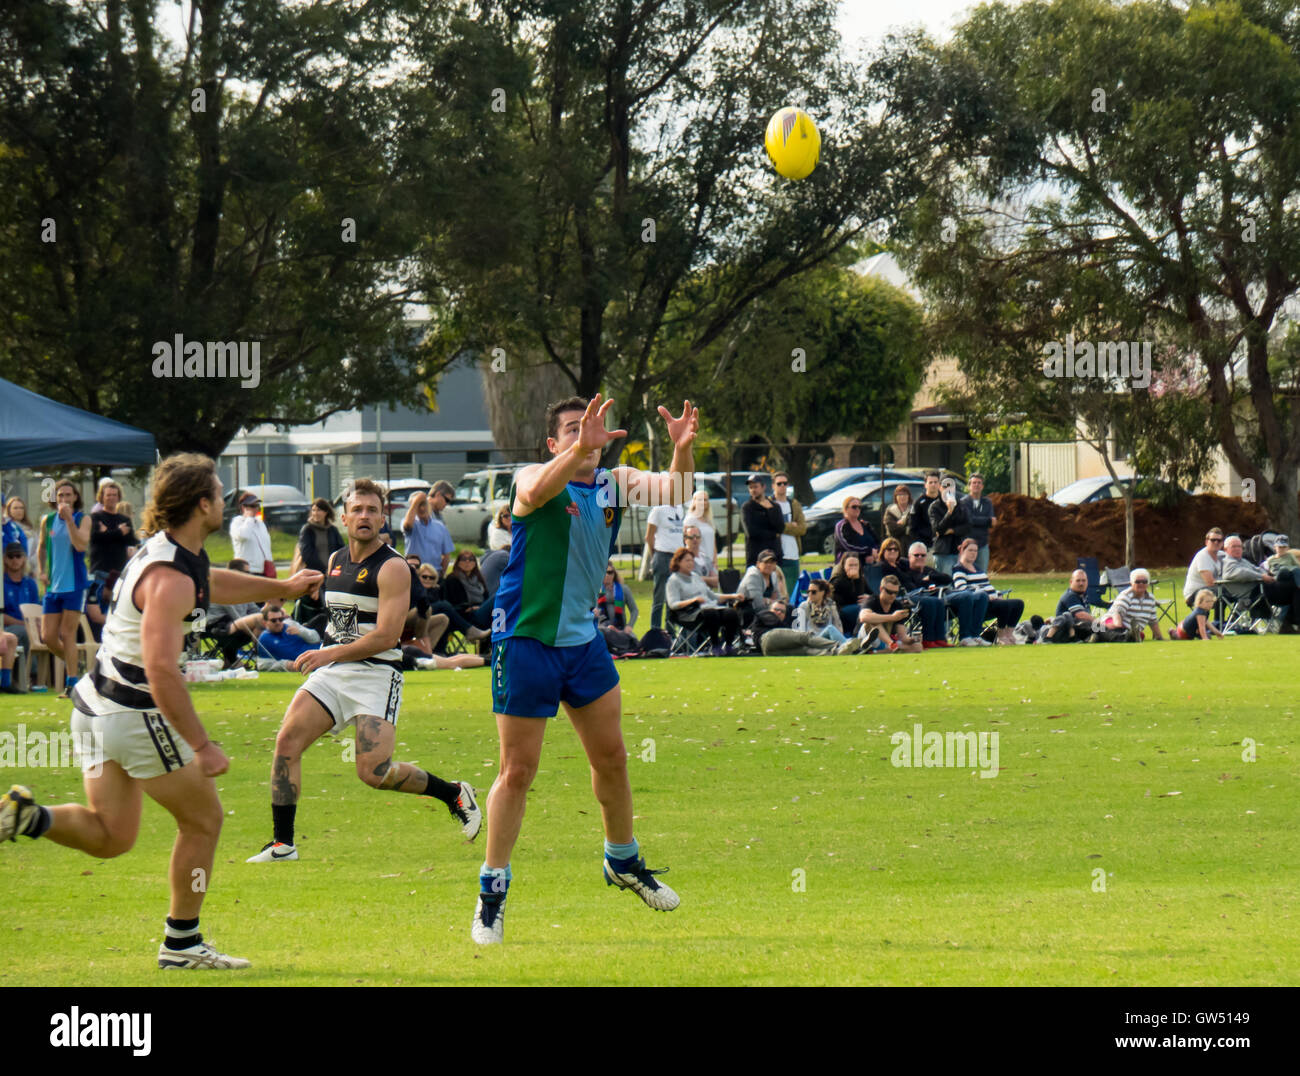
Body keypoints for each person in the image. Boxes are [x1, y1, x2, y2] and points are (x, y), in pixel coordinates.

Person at [1, 453, 321, 968]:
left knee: (111, 836)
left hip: (92, 707)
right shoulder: (170, 577)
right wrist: (202, 744)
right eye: (218, 492)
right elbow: (162, 670)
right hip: (132, 713)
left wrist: (281, 587)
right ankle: (183, 943)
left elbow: (211, 583)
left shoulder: (173, 551)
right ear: (202, 504)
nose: (224, 498)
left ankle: (26, 815)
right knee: (205, 820)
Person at [476, 394, 691, 945]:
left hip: (582, 640)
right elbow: (531, 492)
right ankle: (491, 893)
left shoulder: (614, 482)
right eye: (574, 429)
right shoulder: (536, 475)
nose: (587, 434)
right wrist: (578, 453)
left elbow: (678, 491)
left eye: (592, 427)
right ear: (555, 443)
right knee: (518, 771)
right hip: (524, 639)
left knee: (613, 757)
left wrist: (683, 451)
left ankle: (622, 860)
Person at [246, 477, 481, 866]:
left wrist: (327, 653)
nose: (365, 516)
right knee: (287, 744)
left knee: (374, 772)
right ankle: (282, 844)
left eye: (373, 509)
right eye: (357, 509)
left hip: (375, 674)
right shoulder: (336, 561)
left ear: (383, 516)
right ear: (343, 517)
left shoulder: (392, 567)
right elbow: (340, 619)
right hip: (334, 670)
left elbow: (388, 636)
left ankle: (454, 793)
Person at [35, 479, 91, 698]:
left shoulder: (82, 519)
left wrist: (69, 521)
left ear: (75, 497)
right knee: (48, 637)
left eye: (69, 495)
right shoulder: (46, 521)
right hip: (54, 587)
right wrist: (41, 570)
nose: (65, 499)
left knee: (67, 633)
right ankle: (76, 663)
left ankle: (72, 683)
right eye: (60, 496)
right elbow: (41, 547)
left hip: (75, 585)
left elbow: (80, 545)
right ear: (54, 499)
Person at [665, 547, 742, 655]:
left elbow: (712, 596)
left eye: (692, 560)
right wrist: (693, 600)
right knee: (711, 613)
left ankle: (729, 646)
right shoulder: (673, 581)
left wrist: (733, 596)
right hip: (688, 613)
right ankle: (715, 646)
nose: (690, 563)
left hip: (708, 607)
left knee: (731, 613)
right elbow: (673, 604)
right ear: (678, 562)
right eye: (687, 560)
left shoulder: (696, 577)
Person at [951, 538, 1023, 645]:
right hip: (978, 605)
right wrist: (985, 595)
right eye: (970, 550)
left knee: (1018, 603)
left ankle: (1009, 634)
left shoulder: (978, 569)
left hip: (992, 601)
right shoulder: (959, 569)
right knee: (1004, 605)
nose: (973, 553)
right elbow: (962, 589)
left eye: (975, 551)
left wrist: (998, 594)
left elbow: (988, 586)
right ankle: (1001, 636)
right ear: (962, 551)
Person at [1221, 533, 1299, 631]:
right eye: (1234, 546)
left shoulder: (1242, 561)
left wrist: (1267, 575)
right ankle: (1293, 623)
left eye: (1239, 546)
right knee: (1295, 588)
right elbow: (1239, 573)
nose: (1238, 549)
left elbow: (1257, 568)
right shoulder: (1228, 563)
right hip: (1256, 593)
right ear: (1225, 549)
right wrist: (1261, 576)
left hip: (1264, 588)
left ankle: (1289, 624)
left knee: (1292, 582)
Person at [892, 542, 954, 649]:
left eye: (923, 555)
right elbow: (911, 586)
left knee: (939, 601)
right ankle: (928, 639)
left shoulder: (928, 571)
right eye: (916, 555)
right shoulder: (904, 570)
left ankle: (940, 638)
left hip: (928, 597)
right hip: (911, 597)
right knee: (931, 601)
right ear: (909, 557)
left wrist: (930, 577)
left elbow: (947, 578)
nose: (920, 557)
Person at [644, 496, 685, 630]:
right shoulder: (658, 510)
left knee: (672, 599)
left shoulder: (680, 508)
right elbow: (649, 536)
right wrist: (654, 555)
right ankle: (655, 631)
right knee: (659, 598)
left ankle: (671, 633)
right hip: (662, 555)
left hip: (677, 558)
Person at [1091, 567, 1164, 642]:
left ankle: (1101, 637)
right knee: (1118, 631)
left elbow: (1153, 621)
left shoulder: (1151, 599)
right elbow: (1117, 613)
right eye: (1138, 581)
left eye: (1144, 581)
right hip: (1115, 622)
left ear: (1148, 583)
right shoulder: (1126, 595)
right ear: (1131, 583)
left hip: (1132, 629)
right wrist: (1118, 627)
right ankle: (1101, 634)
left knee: (1141, 635)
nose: (1141, 584)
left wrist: (1160, 637)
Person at [856, 574, 923, 653]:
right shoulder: (872, 600)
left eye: (895, 593)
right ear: (881, 589)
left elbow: (902, 636)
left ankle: (873, 653)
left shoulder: (897, 605)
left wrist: (912, 640)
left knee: (918, 647)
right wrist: (893, 617)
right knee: (874, 620)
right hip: (864, 637)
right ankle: (890, 645)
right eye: (889, 592)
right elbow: (864, 617)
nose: (893, 596)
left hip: (884, 642)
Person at [738, 549, 790, 639]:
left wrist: (768, 601)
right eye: (766, 562)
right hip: (747, 610)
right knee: (778, 612)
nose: (769, 565)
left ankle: (791, 636)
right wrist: (772, 603)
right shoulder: (753, 575)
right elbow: (758, 603)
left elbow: (779, 599)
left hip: (766, 609)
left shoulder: (773, 575)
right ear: (758, 564)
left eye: (772, 562)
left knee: (789, 609)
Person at [402, 488, 455, 575]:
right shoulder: (411, 523)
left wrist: (442, 574)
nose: (422, 508)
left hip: (434, 573)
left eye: (424, 504)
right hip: (415, 573)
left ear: (428, 504)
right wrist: (418, 499)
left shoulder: (440, 526)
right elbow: (407, 526)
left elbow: (446, 555)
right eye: (418, 506)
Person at [443, 549, 495, 632]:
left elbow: (486, 597)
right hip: (467, 617)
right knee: (497, 597)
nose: (467, 561)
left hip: (481, 610)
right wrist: (470, 607)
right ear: (458, 562)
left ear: (475, 563)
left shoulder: (478, 579)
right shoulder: (452, 579)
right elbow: (454, 604)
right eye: (464, 559)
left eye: (471, 559)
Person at [772, 472, 806, 599]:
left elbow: (802, 528)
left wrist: (782, 527)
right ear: (773, 486)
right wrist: (791, 525)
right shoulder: (769, 504)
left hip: (793, 552)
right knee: (778, 591)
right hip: (776, 553)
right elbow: (772, 527)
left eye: (785, 483)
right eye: (779, 483)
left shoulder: (794, 504)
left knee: (793, 591)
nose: (782, 486)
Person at [1038, 569, 1095, 642]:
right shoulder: (1070, 596)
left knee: (1100, 627)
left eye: (1083, 581)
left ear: (1087, 582)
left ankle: (1097, 636)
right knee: (1096, 626)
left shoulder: (1083, 596)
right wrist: (1098, 621)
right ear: (1071, 582)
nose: (1081, 583)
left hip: (1079, 628)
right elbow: (1080, 615)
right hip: (1064, 631)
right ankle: (1098, 636)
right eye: (1078, 581)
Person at [3, 543, 39, 660]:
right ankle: (32, 675)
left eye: (18, 556)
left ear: (24, 559)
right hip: (7, 629)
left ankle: (59, 675)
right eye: (10, 556)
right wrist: (23, 624)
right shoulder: (1, 583)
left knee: (52, 633)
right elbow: (1, 616)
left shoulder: (31, 584)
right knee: (25, 632)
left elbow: (37, 610)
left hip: (31, 626)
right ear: (5, 559)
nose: (15, 559)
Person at [255, 602, 321, 665]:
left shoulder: (289, 624)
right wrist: (286, 664)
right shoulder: (264, 639)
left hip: (319, 651)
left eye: (280, 619)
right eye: (273, 620)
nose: (278, 622)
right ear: (265, 622)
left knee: (322, 617)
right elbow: (262, 663)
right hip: (308, 662)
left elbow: (316, 638)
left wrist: (300, 632)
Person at [596, 563, 641, 656]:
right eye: (605, 572)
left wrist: (629, 626)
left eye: (610, 572)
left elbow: (634, 610)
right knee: (603, 632)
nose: (607, 575)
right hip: (603, 628)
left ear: (614, 574)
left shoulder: (624, 589)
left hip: (620, 629)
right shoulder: (596, 591)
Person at [741, 475, 783, 569]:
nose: (753, 490)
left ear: (763, 487)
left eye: (755, 487)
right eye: (750, 488)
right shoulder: (747, 507)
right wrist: (773, 534)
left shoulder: (774, 506)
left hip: (773, 552)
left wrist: (770, 510)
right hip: (755, 555)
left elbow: (780, 528)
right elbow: (751, 532)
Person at [928, 477, 967, 577]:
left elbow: (967, 526)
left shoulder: (961, 505)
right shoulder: (935, 507)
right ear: (940, 488)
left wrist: (952, 530)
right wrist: (949, 512)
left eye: (951, 487)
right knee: (946, 583)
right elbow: (938, 529)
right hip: (943, 551)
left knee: (959, 581)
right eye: (945, 486)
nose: (948, 490)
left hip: (958, 549)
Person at [230, 493, 274, 577]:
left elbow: (266, 545)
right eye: (252, 506)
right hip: (246, 569)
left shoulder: (260, 524)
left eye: (257, 505)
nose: (255, 509)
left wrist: (270, 563)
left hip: (262, 570)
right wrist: (249, 518)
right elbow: (243, 536)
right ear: (243, 507)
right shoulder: (237, 522)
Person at [296, 498, 344, 574]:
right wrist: (323, 569)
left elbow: (341, 550)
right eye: (313, 510)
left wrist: (335, 567)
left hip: (332, 573)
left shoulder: (332, 530)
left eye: (318, 510)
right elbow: (307, 555)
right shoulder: (307, 530)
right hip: (314, 573)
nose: (315, 513)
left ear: (326, 512)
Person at [961, 473, 996, 574]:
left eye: (979, 483)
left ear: (982, 486)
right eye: (974, 483)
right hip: (967, 544)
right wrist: (987, 520)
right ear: (969, 486)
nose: (976, 485)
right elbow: (969, 520)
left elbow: (992, 522)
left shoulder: (987, 502)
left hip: (982, 544)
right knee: (966, 572)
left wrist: (984, 520)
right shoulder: (964, 502)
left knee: (981, 574)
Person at [794, 578, 847, 643]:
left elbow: (838, 625)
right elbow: (800, 630)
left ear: (822, 592)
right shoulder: (804, 606)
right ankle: (848, 646)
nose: (810, 594)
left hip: (828, 639)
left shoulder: (831, 605)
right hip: (811, 641)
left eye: (813, 592)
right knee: (830, 629)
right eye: (808, 592)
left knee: (832, 630)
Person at [1183, 528, 1223, 608]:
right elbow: (1210, 583)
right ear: (1206, 542)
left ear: (1222, 543)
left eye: (1219, 540)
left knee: (1229, 593)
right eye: (1213, 540)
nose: (1216, 542)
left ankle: (1222, 620)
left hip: (1211, 591)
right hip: (1195, 594)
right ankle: (1216, 620)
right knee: (1222, 593)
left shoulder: (1222, 555)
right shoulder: (1202, 556)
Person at [832, 494, 878, 565]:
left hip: (869, 565)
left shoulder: (865, 525)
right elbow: (848, 546)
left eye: (859, 507)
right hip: (848, 565)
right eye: (854, 507)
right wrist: (869, 551)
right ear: (846, 509)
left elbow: (876, 542)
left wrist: (874, 554)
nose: (857, 509)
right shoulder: (841, 526)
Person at [830, 553, 870, 632]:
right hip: (841, 611)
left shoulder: (861, 578)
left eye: (856, 565)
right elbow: (855, 598)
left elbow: (871, 593)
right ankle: (857, 634)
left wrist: (869, 598)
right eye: (850, 565)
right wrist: (856, 580)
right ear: (844, 566)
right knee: (863, 609)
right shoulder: (837, 581)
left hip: (857, 609)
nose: (853, 568)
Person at [683, 489, 718, 569]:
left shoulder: (708, 520)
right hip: (697, 562)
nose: (703, 502)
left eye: (705, 500)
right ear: (694, 502)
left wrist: (715, 561)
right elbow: (687, 542)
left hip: (710, 562)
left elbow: (713, 543)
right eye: (700, 500)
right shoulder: (690, 520)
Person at [3, 497, 38, 574]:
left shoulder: (31, 530)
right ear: (9, 510)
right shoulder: (6, 528)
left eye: (21, 508)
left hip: (29, 569)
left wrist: (28, 563)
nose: (19, 510)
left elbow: (37, 550)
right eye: (15, 508)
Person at [910, 471, 942, 550]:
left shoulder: (945, 500)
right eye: (930, 482)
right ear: (925, 485)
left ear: (939, 484)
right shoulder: (919, 503)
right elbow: (913, 528)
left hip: (943, 545)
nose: (933, 485)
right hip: (925, 545)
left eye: (935, 482)